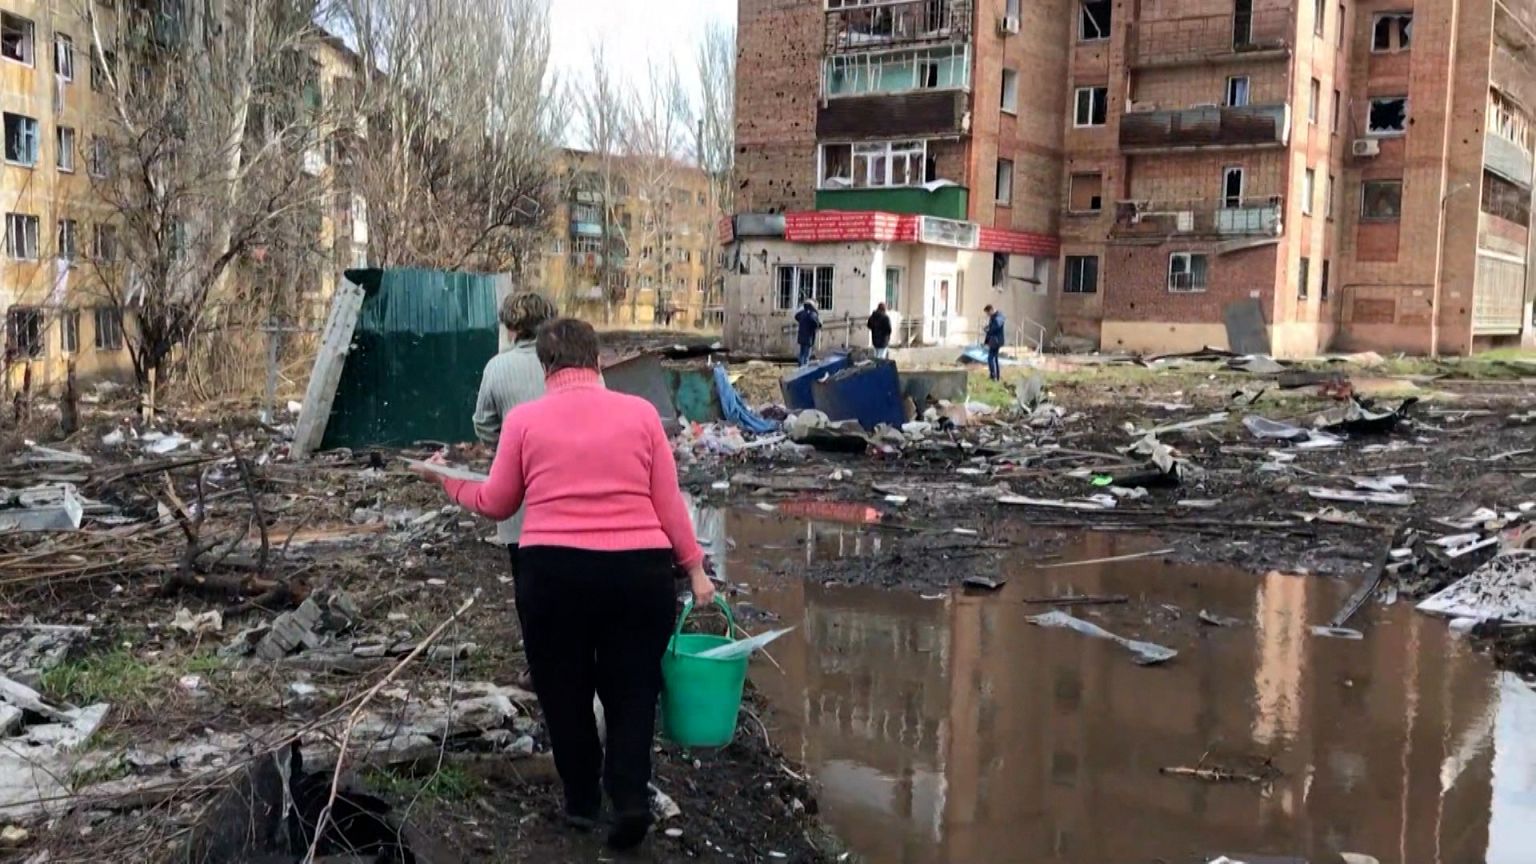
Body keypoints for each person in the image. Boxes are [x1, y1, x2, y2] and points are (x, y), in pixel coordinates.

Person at [413, 318, 712, 852]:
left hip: (554, 574)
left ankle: (579, 805)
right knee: (634, 690)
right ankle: (630, 800)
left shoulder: (525, 422)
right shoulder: (641, 415)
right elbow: (669, 503)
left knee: (564, 691)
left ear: (545, 365)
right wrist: (694, 568)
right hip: (639, 572)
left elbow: (498, 502)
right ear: (596, 361)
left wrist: (447, 483)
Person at [794, 299, 821, 366]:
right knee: (806, 355)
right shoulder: (812, 313)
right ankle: (804, 368)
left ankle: (800, 366)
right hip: (808, 336)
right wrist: (817, 325)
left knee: (802, 353)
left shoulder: (802, 313)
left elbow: (796, 316)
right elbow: (814, 322)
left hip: (801, 336)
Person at [983, 305, 1006, 382]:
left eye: (988, 313)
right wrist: (988, 327)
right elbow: (993, 326)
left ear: (991, 310)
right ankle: (996, 376)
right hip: (995, 340)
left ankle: (993, 376)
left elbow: (995, 327)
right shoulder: (996, 317)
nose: (988, 315)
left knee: (991, 358)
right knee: (994, 358)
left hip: (996, 340)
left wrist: (987, 330)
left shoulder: (998, 317)